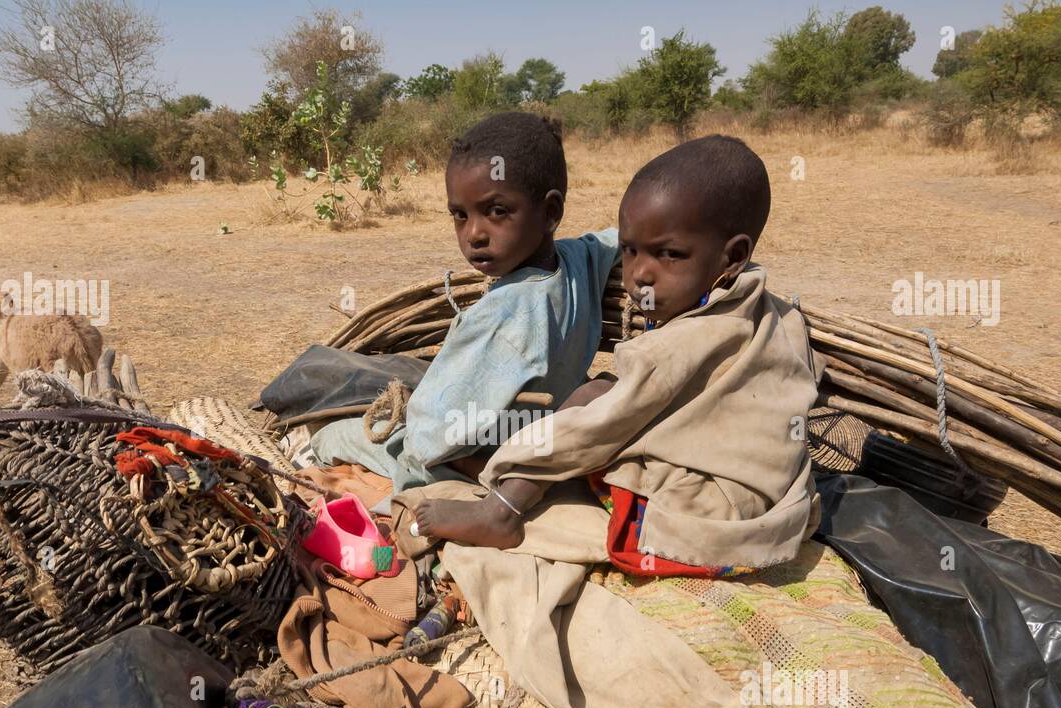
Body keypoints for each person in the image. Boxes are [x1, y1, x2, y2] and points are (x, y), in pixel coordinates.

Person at [413, 134, 821, 578]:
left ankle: (501, 509)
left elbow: (596, 430)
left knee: (595, 394)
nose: (640, 274)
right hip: (770, 497)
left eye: (668, 254)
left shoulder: (672, 349)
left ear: (734, 255)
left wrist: (507, 461)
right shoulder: (775, 314)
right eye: (629, 250)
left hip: (702, 514)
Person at [309, 111, 619, 492]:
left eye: (496, 211)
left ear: (550, 212)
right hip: (530, 429)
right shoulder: (580, 261)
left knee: (327, 438)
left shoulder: (503, 319)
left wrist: (418, 412)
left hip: (467, 461)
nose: (474, 234)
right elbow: (617, 236)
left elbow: (426, 440)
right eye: (460, 215)